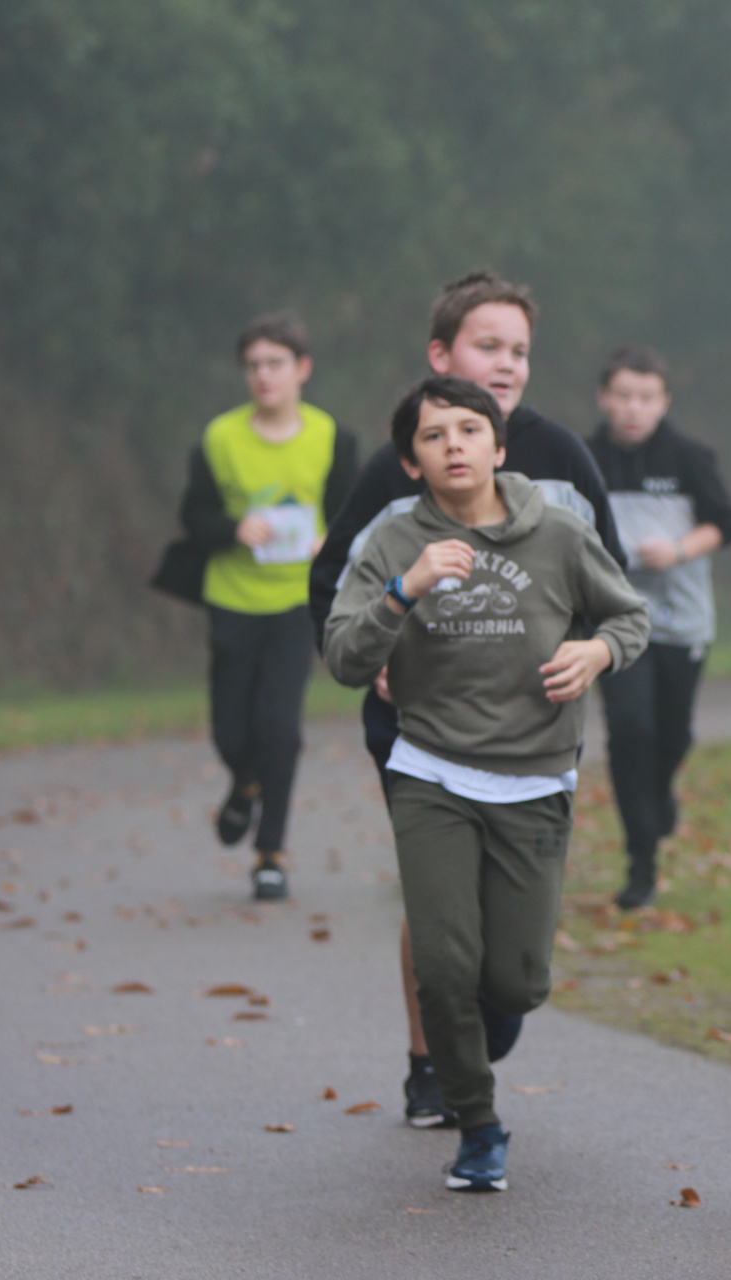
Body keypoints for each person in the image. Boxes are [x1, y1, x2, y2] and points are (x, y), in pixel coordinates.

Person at [308, 271, 625, 1129]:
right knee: (436, 896)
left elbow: (611, 588)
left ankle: (493, 1005)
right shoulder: (400, 461)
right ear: (441, 356)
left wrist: (587, 651)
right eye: (489, 346)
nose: (508, 363)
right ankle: (429, 1064)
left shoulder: (564, 460)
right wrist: (379, 645)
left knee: (507, 935)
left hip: (535, 725)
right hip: (417, 720)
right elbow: (334, 581)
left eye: (520, 350)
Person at [156, 313, 359, 901]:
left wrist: (330, 543)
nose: (263, 375)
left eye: (275, 363)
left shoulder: (332, 438)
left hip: (296, 601)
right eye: (253, 366)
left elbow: (352, 515)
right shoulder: (220, 438)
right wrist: (232, 529)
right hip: (233, 597)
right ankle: (245, 782)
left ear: (302, 369)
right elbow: (193, 515)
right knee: (230, 730)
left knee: (280, 727)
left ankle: (271, 853)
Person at [586, 345, 731, 909]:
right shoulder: (583, 458)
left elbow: (726, 524)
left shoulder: (689, 456)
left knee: (671, 735)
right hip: (615, 621)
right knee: (630, 731)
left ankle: (659, 793)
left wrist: (677, 549)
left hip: (682, 621)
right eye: (624, 396)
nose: (634, 408)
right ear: (604, 398)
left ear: (664, 401)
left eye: (646, 397)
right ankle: (641, 862)